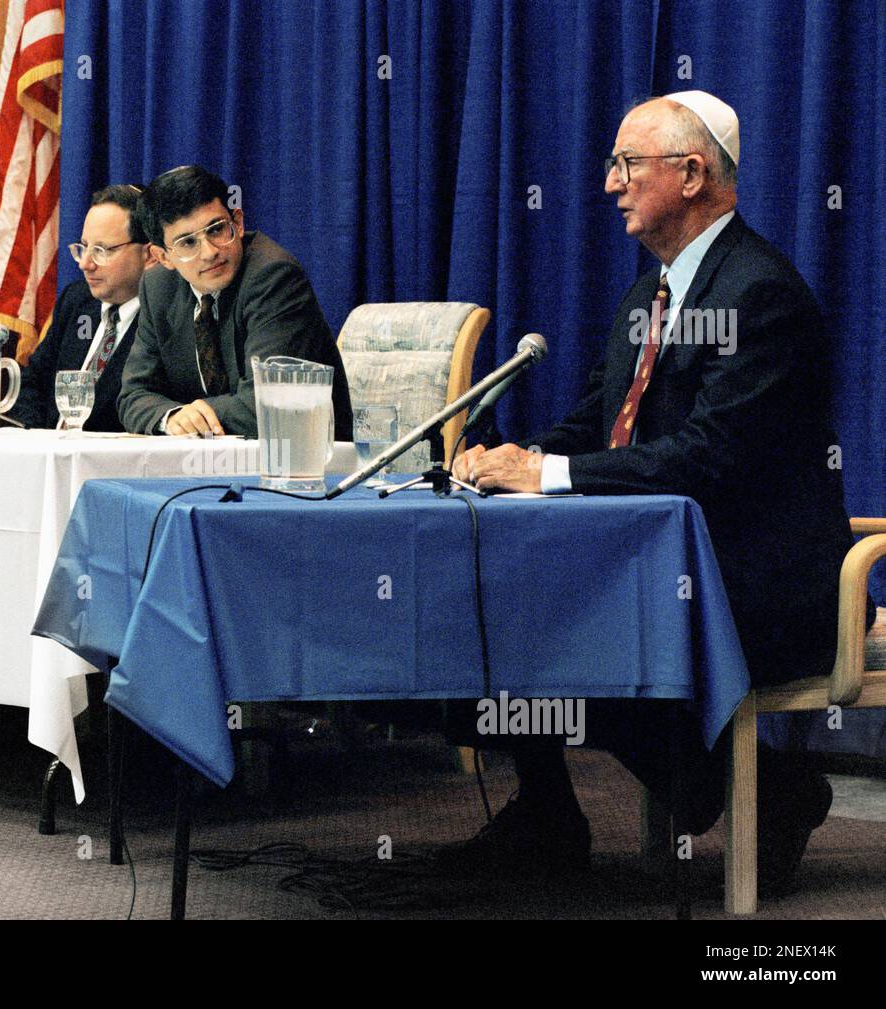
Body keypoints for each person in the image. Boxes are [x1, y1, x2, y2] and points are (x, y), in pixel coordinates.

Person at [447, 91, 869, 896]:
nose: (609, 184)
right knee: (494, 604)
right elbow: (601, 418)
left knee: (565, 627)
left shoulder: (760, 294)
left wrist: (548, 478)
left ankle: (774, 790)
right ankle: (551, 815)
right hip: (663, 562)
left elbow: (708, 457)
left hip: (759, 579)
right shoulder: (651, 296)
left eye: (625, 165)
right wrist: (514, 456)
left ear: (691, 172)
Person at [117, 165, 352, 438]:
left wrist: (198, 414)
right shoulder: (158, 287)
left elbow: (269, 404)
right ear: (163, 257)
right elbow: (133, 394)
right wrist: (173, 417)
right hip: (207, 464)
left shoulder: (273, 277)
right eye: (187, 243)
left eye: (216, 230)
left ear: (237, 223)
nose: (209, 252)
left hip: (301, 460)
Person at [6, 185, 154, 432]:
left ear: (149, 255)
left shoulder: (162, 318)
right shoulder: (77, 300)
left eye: (102, 250)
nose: (86, 264)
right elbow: (32, 383)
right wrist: (37, 441)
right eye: (84, 247)